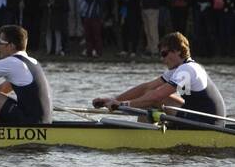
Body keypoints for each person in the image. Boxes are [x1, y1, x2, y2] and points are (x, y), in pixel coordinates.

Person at [92, 31, 226, 124]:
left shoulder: (187, 69)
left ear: (178, 51)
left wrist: (123, 105)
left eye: (164, 54)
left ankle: (142, 137)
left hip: (207, 121)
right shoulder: (178, 69)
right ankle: (147, 130)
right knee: (147, 95)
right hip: (197, 114)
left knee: (151, 99)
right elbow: (147, 87)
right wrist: (114, 99)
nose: (162, 59)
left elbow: (157, 96)